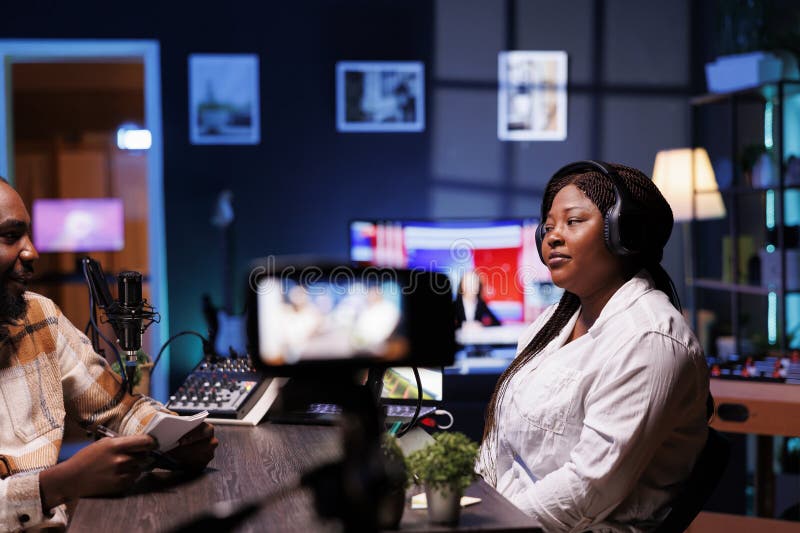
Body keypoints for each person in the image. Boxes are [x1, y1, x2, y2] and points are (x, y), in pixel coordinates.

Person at [476, 162, 709, 532]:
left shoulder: (649, 340)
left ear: (624, 233)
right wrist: (469, 503)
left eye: (573, 221)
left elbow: (586, 489)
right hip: (507, 517)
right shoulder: (550, 323)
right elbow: (498, 446)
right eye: (548, 227)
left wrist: (487, 523)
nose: (552, 237)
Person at [0, 178, 218, 531]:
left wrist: (174, 438)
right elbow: (59, 484)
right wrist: (57, 484)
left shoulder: (40, 318)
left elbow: (118, 409)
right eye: (11, 236)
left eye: (27, 235)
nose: (32, 252)